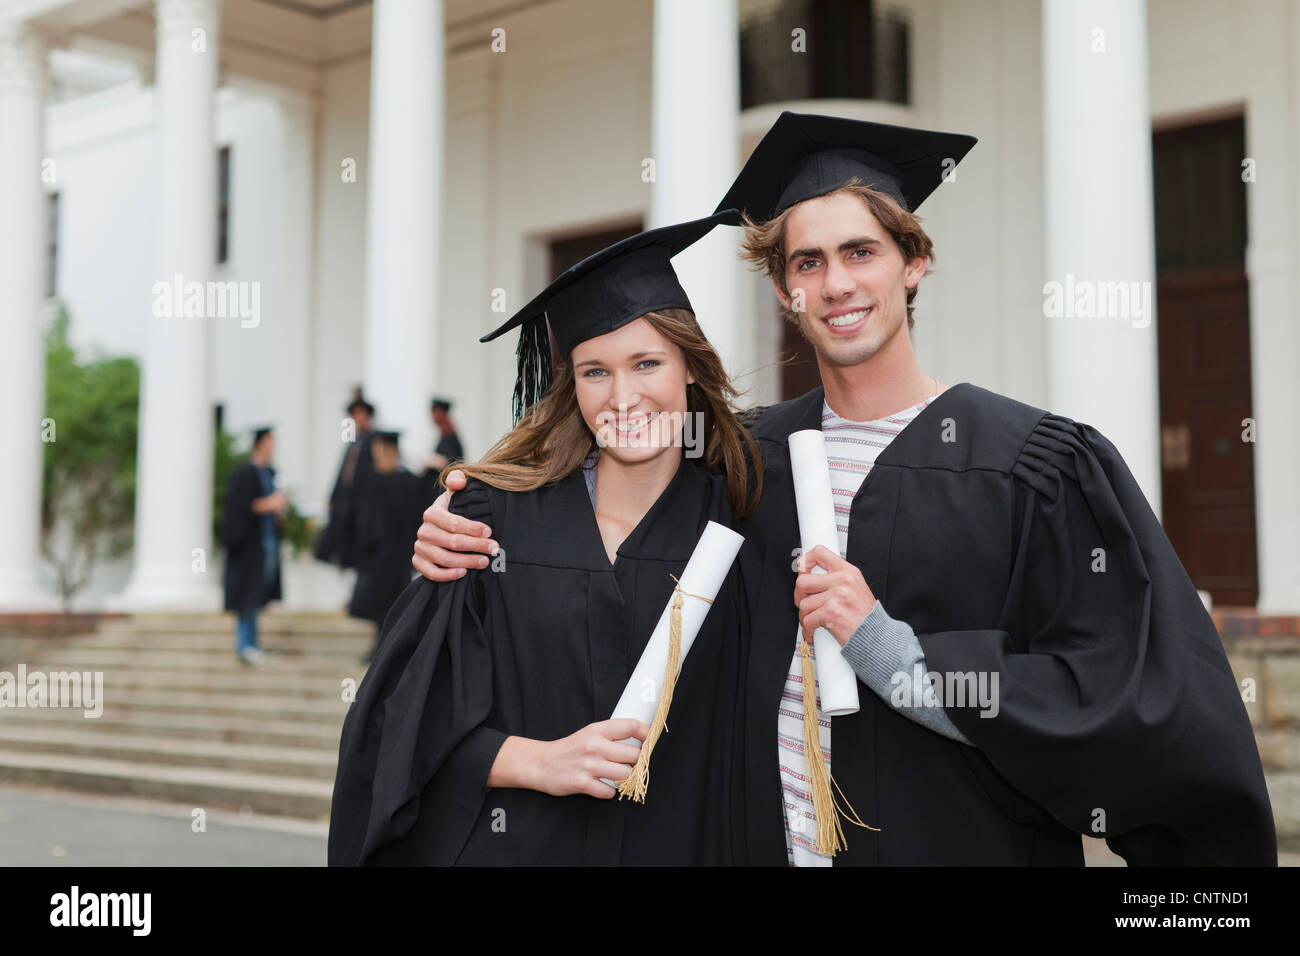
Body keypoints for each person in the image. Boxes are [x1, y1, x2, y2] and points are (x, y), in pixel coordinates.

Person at [412, 112, 1277, 866]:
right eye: (809, 262)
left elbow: (1133, 693)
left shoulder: (1032, 465)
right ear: (786, 289)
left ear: (914, 263)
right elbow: (608, 498)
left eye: (861, 251)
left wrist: (902, 661)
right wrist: (472, 515)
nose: (836, 284)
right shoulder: (742, 462)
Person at [329, 211, 764, 866]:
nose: (624, 397)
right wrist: (539, 761)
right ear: (572, 384)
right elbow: (394, 721)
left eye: (647, 362)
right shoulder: (490, 521)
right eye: (595, 371)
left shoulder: (740, 525)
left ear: (691, 368)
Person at [348, 428, 426, 663]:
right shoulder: (373, 481)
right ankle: (381, 645)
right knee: (378, 605)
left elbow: (417, 515)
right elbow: (364, 519)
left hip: (398, 556)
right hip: (377, 556)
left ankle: (391, 647)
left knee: (395, 602)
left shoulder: (407, 481)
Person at [222, 426, 287, 665]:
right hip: (249, 545)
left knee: (258, 592)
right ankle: (245, 645)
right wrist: (269, 504)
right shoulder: (245, 473)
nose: (273, 445)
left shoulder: (270, 472)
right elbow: (242, 506)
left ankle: (252, 644)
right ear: (260, 443)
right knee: (247, 593)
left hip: (267, 541)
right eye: (270, 441)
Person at [314, 392, 376, 570]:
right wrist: (332, 497)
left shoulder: (373, 441)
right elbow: (343, 473)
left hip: (361, 504)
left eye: (361, 415)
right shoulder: (352, 441)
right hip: (345, 502)